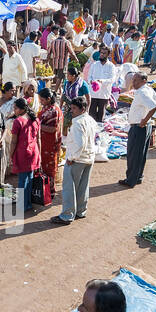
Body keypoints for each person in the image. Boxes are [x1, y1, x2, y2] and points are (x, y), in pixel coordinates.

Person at [52, 92, 98, 226]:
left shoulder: (78, 123)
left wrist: (72, 158)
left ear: (82, 109)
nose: (71, 111)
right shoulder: (89, 120)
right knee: (83, 186)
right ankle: (80, 211)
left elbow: (79, 144)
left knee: (69, 188)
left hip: (77, 160)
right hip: (88, 158)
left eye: (74, 109)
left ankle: (67, 215)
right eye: (71, 108)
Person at [119, 72, 156, 189]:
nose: (133, 83)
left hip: (139, 127)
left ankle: (130, 180)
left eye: (136, 80)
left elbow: (154, 106)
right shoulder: (147, 89)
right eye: (133, 80)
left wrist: (145, 119)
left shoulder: (142, 92)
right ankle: (138, 177)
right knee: (140, 154)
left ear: (144, 81)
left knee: (133, 154)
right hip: (144, 126)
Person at [8, 97, 41, 213]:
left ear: (21, 109)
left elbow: (13, 142)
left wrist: (10, 155)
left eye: (15, 108)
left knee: (22, 180)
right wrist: (39, 155)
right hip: (34, 152)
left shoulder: (18, 121)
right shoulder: (35, 119)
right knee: (30, 178)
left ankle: (22, 205)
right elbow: (38, 139)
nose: (14, 111)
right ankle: (27, 203)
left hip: (23, 153)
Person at [37, 90, 63, 188]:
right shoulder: (48, 108)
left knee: (49, 167)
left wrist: (37, 125)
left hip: (50, 144)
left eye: (42, 100)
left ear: (48, 99)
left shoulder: (53, 111)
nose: (40, 102)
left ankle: (49, 191)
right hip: (46, 143)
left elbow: (53, 129)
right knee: (46, 166)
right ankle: (46, 191)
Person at [87, 48, 115, 121]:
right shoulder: (94, 64)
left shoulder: (111, 66)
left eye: (104, 53)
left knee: (101, 114)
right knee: (91, 114)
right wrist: (91, 82)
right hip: (93, 93)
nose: (102, 55)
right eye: (101, 53)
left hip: (104, 94)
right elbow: (89, 77)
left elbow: (112, 79)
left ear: (108, 55)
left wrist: (101, 81)